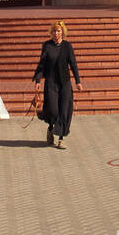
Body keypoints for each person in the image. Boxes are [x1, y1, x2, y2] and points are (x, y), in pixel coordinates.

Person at [33, 19, 82, 149]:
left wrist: (78, 81)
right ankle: (50, 128)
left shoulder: (67, 46)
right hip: (51, 82)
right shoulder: (47, 46)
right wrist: (38, 80)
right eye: (54, 31)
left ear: (63, 32)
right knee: (53, 110)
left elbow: (73, 64)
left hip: (65, 83)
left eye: (58, 31)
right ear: (51, 32)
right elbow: (41, 65)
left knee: (64, 110)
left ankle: (61, 138)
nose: (56, 33)